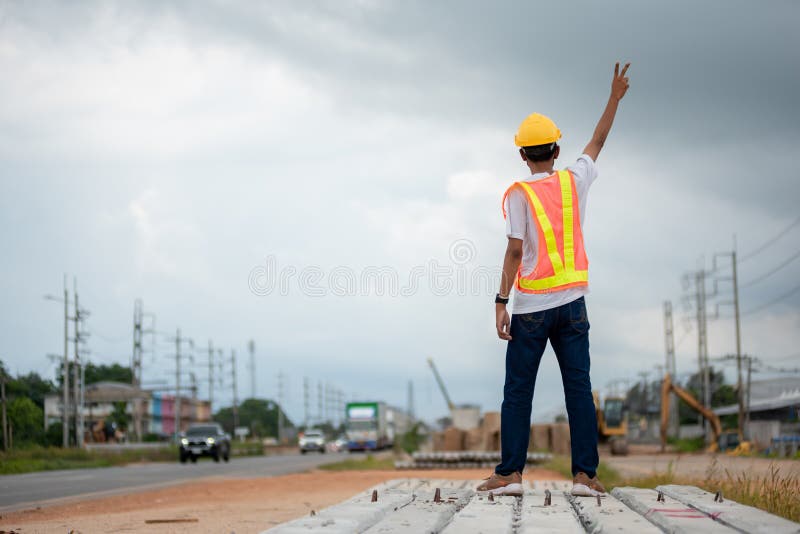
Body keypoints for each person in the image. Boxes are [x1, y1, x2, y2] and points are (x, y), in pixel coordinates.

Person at [477, 62, 631, 497]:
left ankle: (510, 474)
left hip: (530, 311)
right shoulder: (573, 182)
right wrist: (614, 97)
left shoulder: (519, 194)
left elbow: (513, 251)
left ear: (522, 155)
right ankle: (585, 475)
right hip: (573, 306)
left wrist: (500, 300)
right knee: (578, 389)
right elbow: (598, 141)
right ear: (557, 151)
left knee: (518, 393)